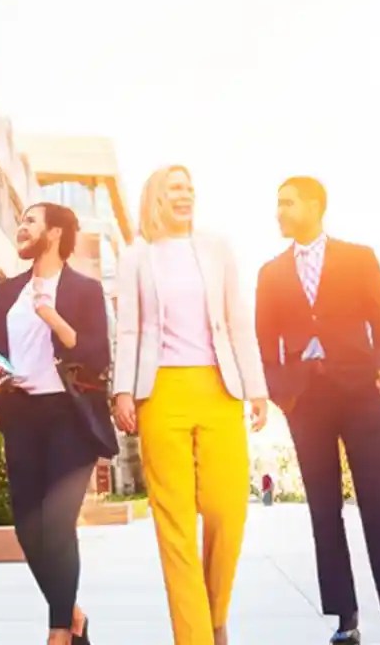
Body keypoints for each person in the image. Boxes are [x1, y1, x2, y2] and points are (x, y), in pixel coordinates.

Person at [255, 177, 380, 645]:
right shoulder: (270, 273)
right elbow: (264, 342)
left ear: (315, 205)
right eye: (278, 205)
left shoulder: (359, 257)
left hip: (359, 393)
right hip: (304, 400)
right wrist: (282, 393)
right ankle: (344, 617)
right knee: (323, 508)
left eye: (286, 203)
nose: (278, 212)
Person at [111, 165, 269, 645]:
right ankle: (195, 636)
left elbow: (238, 319)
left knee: (227, 508)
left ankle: (214, 611)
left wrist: (256, 387)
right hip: (160, 393)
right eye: (175, 188)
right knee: (174, 523)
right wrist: (122, 390)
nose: (186, 194)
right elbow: (129, 328)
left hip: (220, 388)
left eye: (189, 187)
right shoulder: (137, 255)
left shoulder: (217, 248)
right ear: (156, 197)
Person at [0, 202, 117, 645]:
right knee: (27, 529)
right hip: (23, 416)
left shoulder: (84, 290)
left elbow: (96, 355)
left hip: (70, 418)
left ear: (54, 233)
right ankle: (73, 615)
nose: (21, 227)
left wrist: (51, 315)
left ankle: (58, 631)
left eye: (30, 221)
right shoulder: (8, 290)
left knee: (57, 523)